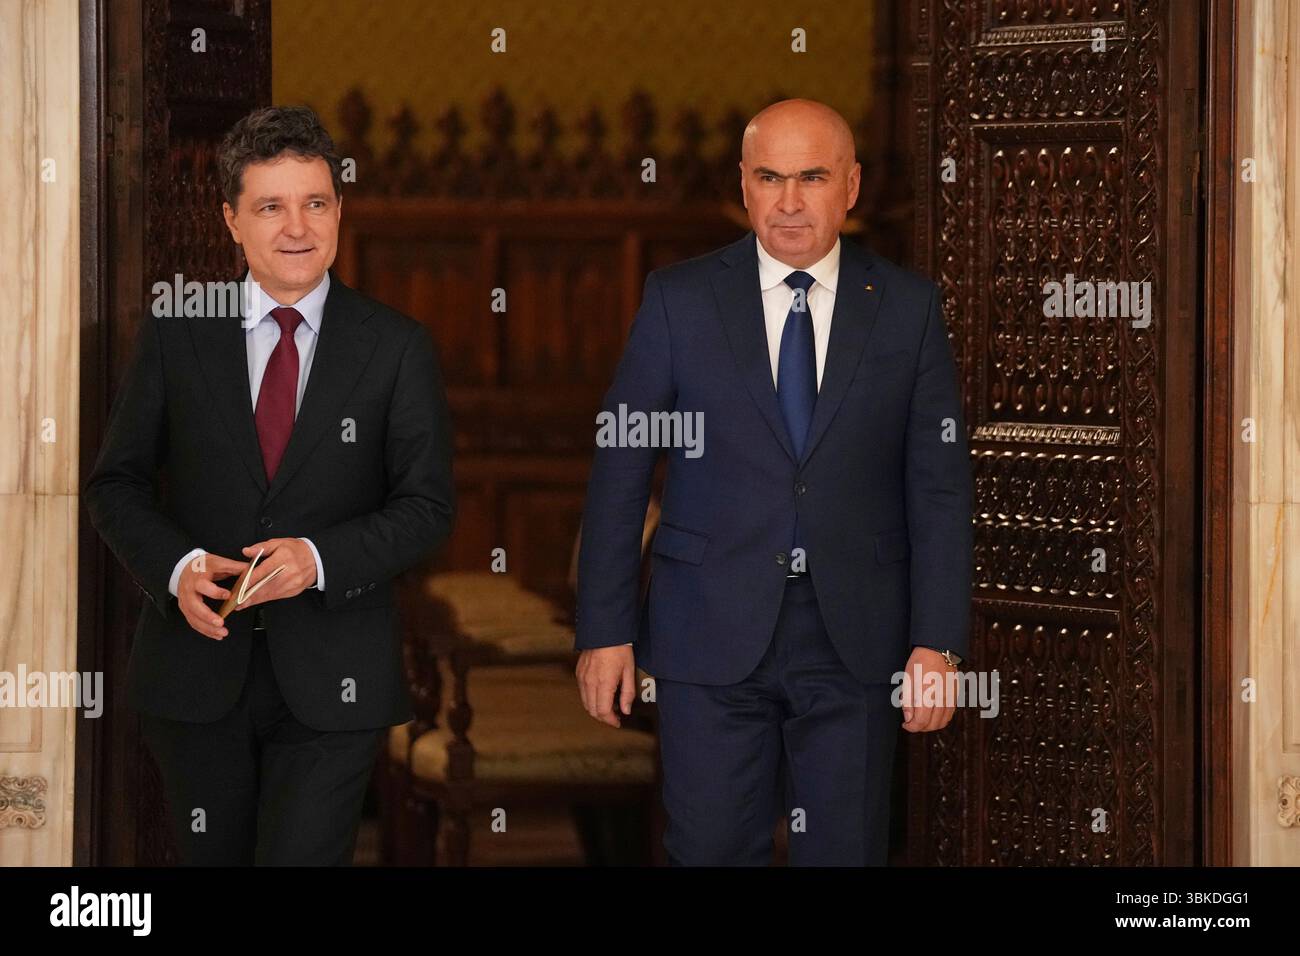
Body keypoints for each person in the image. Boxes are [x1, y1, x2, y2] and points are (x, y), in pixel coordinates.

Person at [574, 98, 972, 866]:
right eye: (771, 178)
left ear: (850, 187)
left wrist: (939, 644)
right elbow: (621, 468)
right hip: (704, 632)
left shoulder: (908, 308)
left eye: (813, 177)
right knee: (712, 850)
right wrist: (606, 630)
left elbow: (939, 486)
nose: (790, 202)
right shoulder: (677, 299)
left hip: (856, 638)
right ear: (744, 187)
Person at [84, 105, 454, 865]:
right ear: (231, 220)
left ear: (340, 210)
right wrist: (177, 569)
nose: (298, 226)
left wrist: (319, 558)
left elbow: (426, 508)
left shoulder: (394, 346)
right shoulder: (177, 328)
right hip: (194, 675)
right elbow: (114, 484)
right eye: (271, 206)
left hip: (336, 680)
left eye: (316, 203)